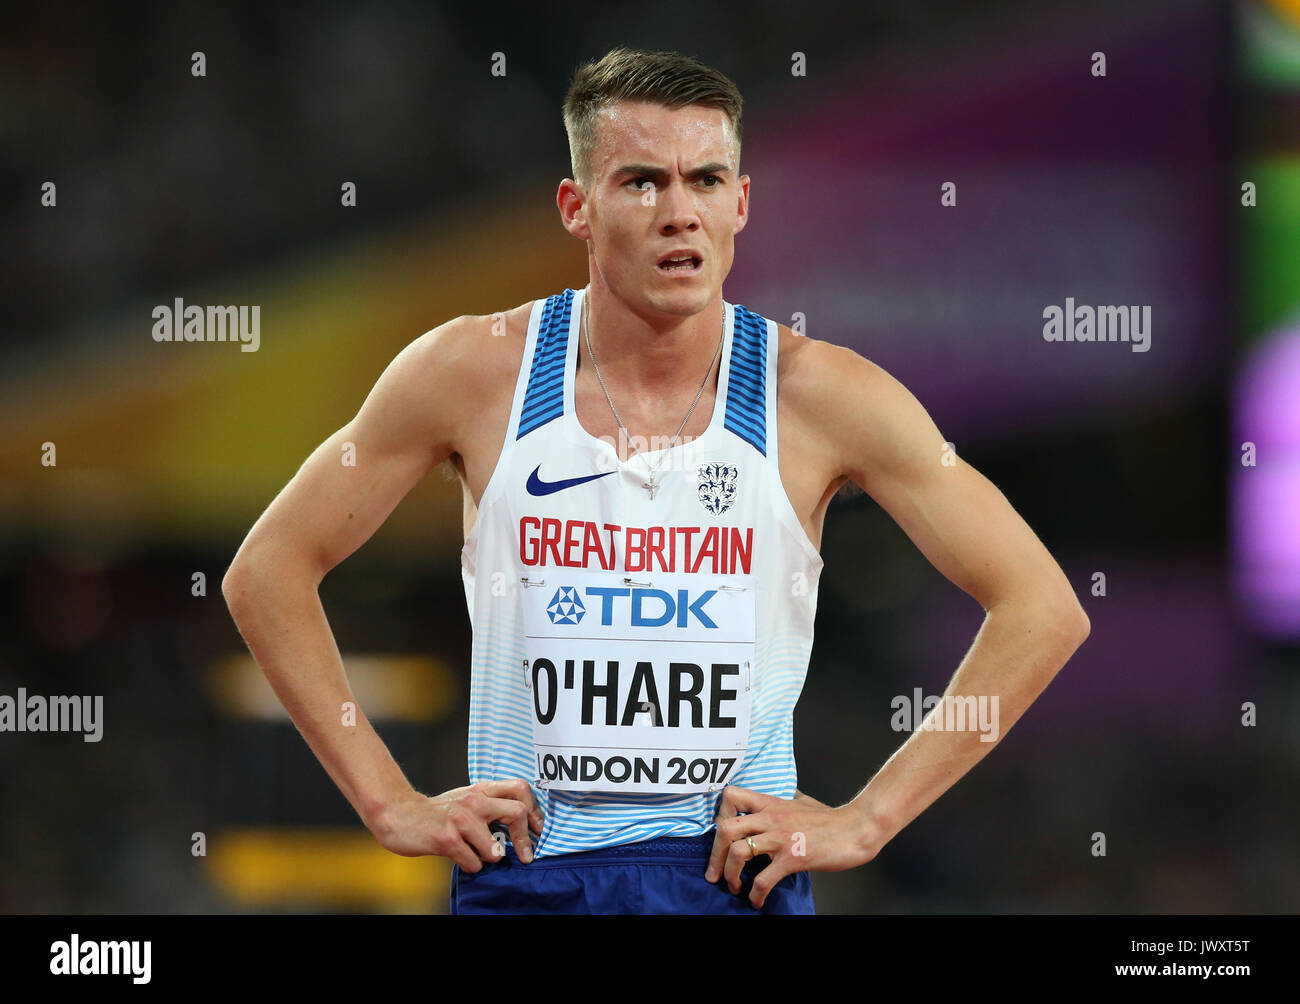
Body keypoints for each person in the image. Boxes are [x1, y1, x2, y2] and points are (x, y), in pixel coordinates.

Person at [222, 47, 1090, 915]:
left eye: (706, 180)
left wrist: (868, 821)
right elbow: (268, 570)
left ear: (741, 202)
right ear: (577, 207)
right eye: (642, 182)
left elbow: (1041, 607)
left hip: (731, 880)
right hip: (530, 874)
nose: (681, 213)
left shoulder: (822, 395)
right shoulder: (474, 373)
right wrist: (388, 803)